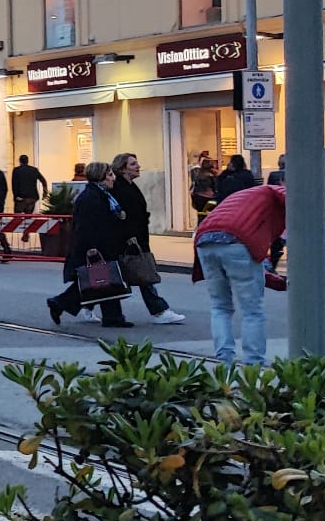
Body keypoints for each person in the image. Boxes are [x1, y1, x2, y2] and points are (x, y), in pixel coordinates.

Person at [194, 183, 286, 366]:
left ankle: (224, 362)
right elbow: (295, 200)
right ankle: (254, 363)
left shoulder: (244, 196)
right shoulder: (275, 193)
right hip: (237, 240)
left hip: (204, 240)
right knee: (252, 310)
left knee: (220, 306)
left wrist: (274, 279)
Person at [46, 161, 132, 329]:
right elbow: (85, 226)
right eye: (109, 175)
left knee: (102, 281)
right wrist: (91, 247)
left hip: (104, 244)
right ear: (100, 177)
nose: (113, 178)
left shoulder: (102, 194)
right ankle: (111, 317)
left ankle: (111, 316)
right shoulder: (91, 198)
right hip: (96, 247)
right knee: (102, 281)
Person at [109, 151, 185, 325]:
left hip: (137, 237)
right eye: (133, 164)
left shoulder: (129, 185)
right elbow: (124, 216)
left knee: (125, 275)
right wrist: (130, 236)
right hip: (131, 239)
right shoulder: (120, 188)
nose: (138, 166)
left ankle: (75, 303)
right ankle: (159, 310)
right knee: (143, 274)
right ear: (122, 169)